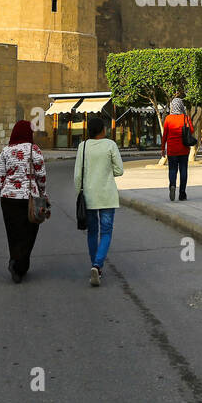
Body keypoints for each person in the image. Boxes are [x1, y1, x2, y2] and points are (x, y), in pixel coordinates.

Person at [0, 120, 48, 283]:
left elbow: (0, 177)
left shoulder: (5, 151)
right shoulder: (34, 150)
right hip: (30, 198)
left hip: (8, 199)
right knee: (30, 232)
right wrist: (44, 194)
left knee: (13, 233)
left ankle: (16, 263)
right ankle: (20, 265)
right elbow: (41, 176)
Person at [74, 115, 123, 287]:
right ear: (103, 130)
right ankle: (98, 264)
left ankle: (95, 264)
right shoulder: (110, 145)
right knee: (107, 232)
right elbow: (119, 170)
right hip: (107, 195)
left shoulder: (83, 146)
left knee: (92, 232)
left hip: (89, 196)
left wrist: (78, 193)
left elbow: (77, 175)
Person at [161, 97, 194, 202]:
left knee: (172, 170)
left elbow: (165, 135)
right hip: (184, 149)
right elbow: (191, 130)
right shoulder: (185, 118)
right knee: (183, 170)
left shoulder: (168, 119)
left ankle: (172, 185)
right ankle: (182, 194)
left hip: (172, 149)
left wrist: (163, 149)